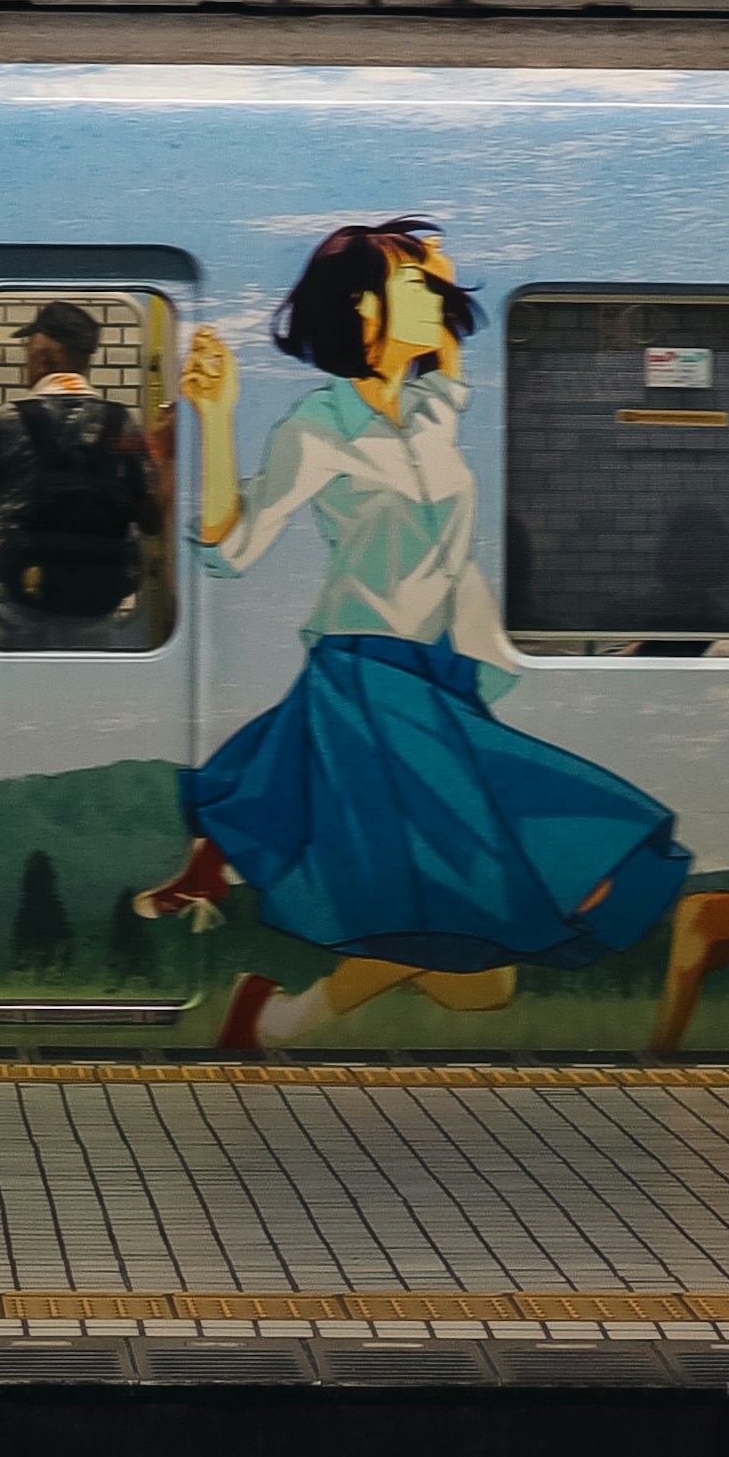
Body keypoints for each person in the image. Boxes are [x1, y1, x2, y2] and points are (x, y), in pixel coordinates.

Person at [136, 218, 694, 1050]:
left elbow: (455, 353)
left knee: (485, 983)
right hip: (369, 684)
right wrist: (215, 417)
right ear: (364, 306)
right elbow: (231, 540)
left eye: (437, 290)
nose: (441, 304)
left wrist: (433, 261)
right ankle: (270, 1008)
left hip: (445, 680)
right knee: (535, 886)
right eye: (418, 289)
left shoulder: (435, 409)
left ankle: (273, 1017)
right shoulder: (316, 427)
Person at [0, 297, 167, 649]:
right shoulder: (121, 422)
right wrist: (165, 454)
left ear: (43, 356)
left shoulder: (9, 419)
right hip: (95, 609)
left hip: (13, 608)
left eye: (27, 347)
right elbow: (151, 520)